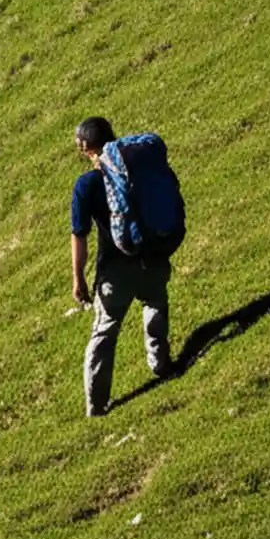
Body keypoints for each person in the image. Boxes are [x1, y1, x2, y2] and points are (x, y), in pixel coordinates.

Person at [70, 117, 180, 417]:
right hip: (153, 254)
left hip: (115, 271)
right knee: (156, 302)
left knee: (104, 333)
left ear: (84, 147)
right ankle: (161, 363)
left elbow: (80, 235)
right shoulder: (137, 168)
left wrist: (78, 278)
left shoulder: (87, 184)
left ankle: (97, 405)